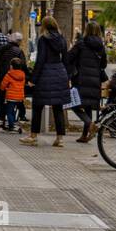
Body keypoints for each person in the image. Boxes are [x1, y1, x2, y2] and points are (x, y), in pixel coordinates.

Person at [22, 16, 72, 147]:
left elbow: (41, 59)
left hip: (45, 74)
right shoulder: (61, 39)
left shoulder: (43, 39)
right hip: (60, 73)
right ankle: (60, 138)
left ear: (44, 26)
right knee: (58, 107)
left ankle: (33, 136)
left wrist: (33, 79)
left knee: (37, 105)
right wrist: (67, 77)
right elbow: (66, 59)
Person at [67, 21, 109, 142]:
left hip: (80, 80)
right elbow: (104, 64)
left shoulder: (81, 44)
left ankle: (90, 124)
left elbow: (69, 57)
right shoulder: (101, 47)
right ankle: (85, 135)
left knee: (74, 104)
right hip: (95, 81)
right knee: (88, 107)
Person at [0, 31, 27, 132]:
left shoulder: (1, 49)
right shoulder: (18, 52)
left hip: (3, 77)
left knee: (3, 99)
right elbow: (23, 66)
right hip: (14, 84)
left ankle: (1, 117)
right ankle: (16, 118)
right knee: (14, 103)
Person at [0, 57, 28, 134]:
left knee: (9, 111)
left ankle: (11, 126)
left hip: (11, 97)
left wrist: (2, 89)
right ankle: (13, 122)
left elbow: (3, 85)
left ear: (11, 66)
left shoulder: (9, 74)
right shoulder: (23, 75)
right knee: (14, 110)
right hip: (19, 97)